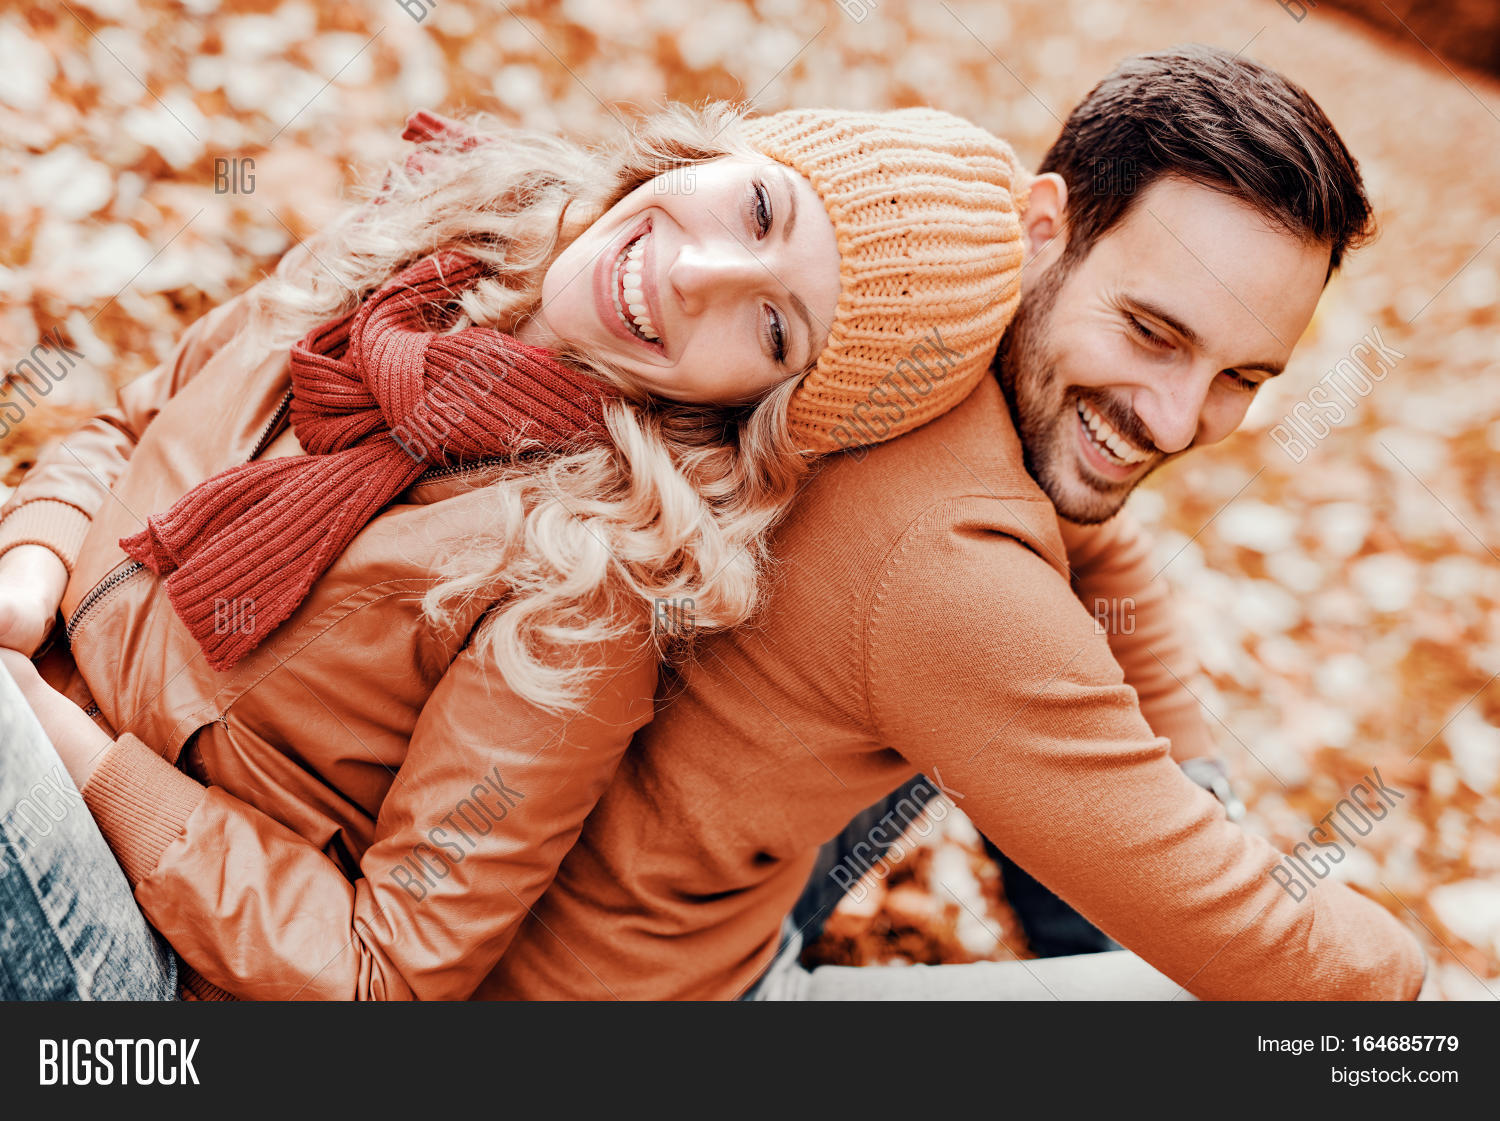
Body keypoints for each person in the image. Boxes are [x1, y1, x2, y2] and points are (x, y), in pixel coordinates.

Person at [0, 103, 1030, 999]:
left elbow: (384, 970)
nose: (695, 273)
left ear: (765, 408)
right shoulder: (428, 236)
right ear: (724, 154)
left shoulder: (585, 587)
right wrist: (30, 573)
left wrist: (73, 753)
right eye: (759, 209)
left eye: (771, 328)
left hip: (150, 950)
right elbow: (135, 423)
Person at [480, 45, 1432, 1001]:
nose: (1179, 419)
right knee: (1311, 1035)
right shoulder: (951, 562)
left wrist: (1200, 794)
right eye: (1152, 333)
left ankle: (1099, 927)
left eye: (1241, 379)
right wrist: (1430, 1004)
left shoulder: (921, 322)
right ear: (1047, 228)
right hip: (665, 997)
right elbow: (1280, 958)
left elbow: (1107, 550)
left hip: (703, 878)